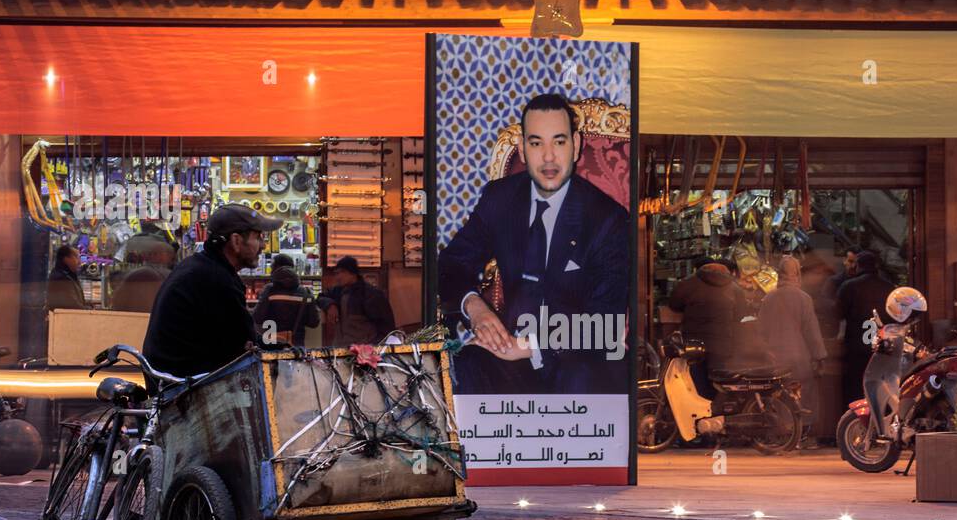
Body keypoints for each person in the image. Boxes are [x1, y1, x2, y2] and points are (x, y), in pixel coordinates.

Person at [438, 92, 629, 394]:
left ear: (576, 146)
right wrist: (475, 307)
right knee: (464, 365)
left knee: (580, 378)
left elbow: (605, 322)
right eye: (537, 143)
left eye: (560, 141)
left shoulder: (609, 220)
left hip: (575, 355)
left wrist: (526, 347)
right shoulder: (499, 199)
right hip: (509, 352)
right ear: (523, 150)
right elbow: (450, 265)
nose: (549, 157)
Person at [142, 203, 282, 378]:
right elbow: (244, 345)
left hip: (176, 379)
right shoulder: (216, 280)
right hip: (184, 389)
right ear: (236, 241)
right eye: (258, 237)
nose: (263, 245)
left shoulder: (202, 267)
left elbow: (242, 340)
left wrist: (278, 347)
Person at [758, 257, 827, 437]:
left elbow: (761, 330)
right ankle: (800, 431)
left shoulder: (768, 298)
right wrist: (819, 356)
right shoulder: (804, 299)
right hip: (799, 356)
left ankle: (781, 431)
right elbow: (811, 331)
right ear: (797, 273)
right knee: (801, 394)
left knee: (779, 395)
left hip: (773, 357)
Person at [668, 257, 751, 398]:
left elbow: (674, 304)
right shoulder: (734, 288)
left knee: (695, 382)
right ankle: (717, 414)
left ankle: (699, 413)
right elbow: (741, 313)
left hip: (694, 344)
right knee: (719, 383)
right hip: (722, 344)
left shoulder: (688, 283)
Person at [836, 251, 894, 401]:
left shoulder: (848, 287)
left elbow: (837, 314)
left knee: (855, 390)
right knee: (880, 389)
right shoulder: (889, 288)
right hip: (882, 347)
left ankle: (856, 420)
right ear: (876, 266)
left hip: (855, 348)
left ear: (858, 266)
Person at [320, 256, 395, 347]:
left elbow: (386, 327)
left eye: (341, 272)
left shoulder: (371, 294)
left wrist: (374, 349)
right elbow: (321, 297)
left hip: (364, 351)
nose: (337, 277)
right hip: (341, 348)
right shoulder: (338, 291)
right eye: (336, 273)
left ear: (352, 273)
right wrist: (330, 305)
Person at [254, 253, 320, 347]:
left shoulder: (269, 290)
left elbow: (257, 317)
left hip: (272, 344)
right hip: (296, 345)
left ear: (276, 268)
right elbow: (314, 322)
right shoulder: (306, 292)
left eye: (272, 267)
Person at [46, 244, 86, 311]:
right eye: (76, 257)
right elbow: (73, 305)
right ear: (66, 259)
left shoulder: (69, 275)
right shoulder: (60, 278)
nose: (79, 262)